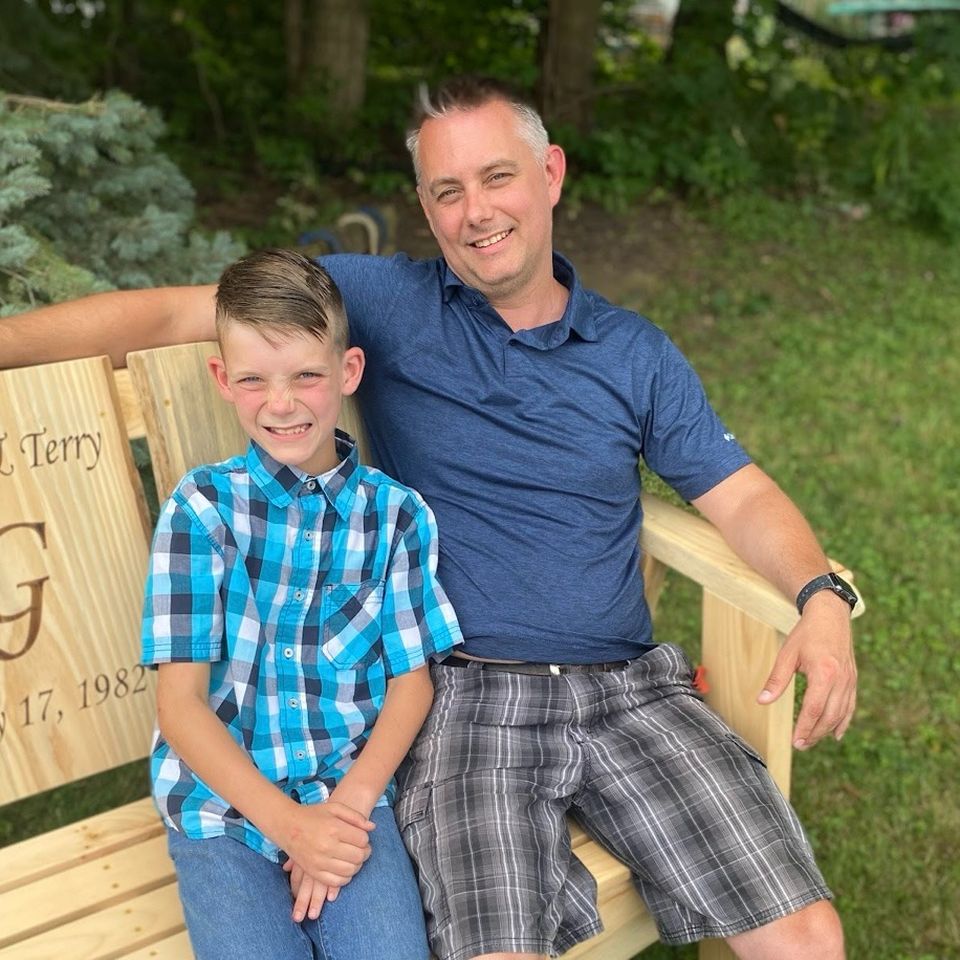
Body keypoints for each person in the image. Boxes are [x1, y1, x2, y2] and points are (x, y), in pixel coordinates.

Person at [1, 78, 857, 960]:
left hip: (630, 691)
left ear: (551, 174)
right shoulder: (384, 301)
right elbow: (175, 311)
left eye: (497, 177)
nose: (475, 211)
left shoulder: (634, 353)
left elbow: (740, 495)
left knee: (807, 937)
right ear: (424, 206)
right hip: (469, 700)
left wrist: (821, 594)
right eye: (448, 191)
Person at [140, 248, 462, 960]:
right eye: (253, 379)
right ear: (223, 379)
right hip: (220, 808)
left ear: (348, 372)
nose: (281, 404)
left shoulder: (395, 516)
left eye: (306, 376)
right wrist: (292, 829)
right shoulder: (202, 510)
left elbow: (412, 682)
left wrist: (340, 817)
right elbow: (180, 707)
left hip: (348, 796)